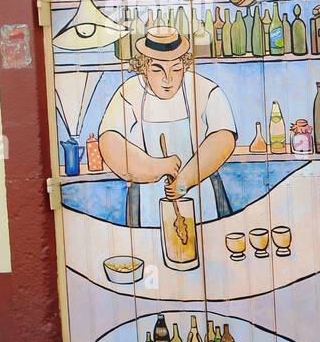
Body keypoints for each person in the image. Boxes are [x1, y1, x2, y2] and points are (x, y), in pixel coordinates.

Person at [98, 26, 236, 227]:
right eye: (157, 69)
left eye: (176, 69)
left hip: (201, 191)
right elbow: (109, 143)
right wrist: (156, 166)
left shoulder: (206, 89)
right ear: (143, 67)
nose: (167, 79)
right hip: (146, 197)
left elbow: (224, 138)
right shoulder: (128, 93)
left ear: (185, 65)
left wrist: (186, 180)